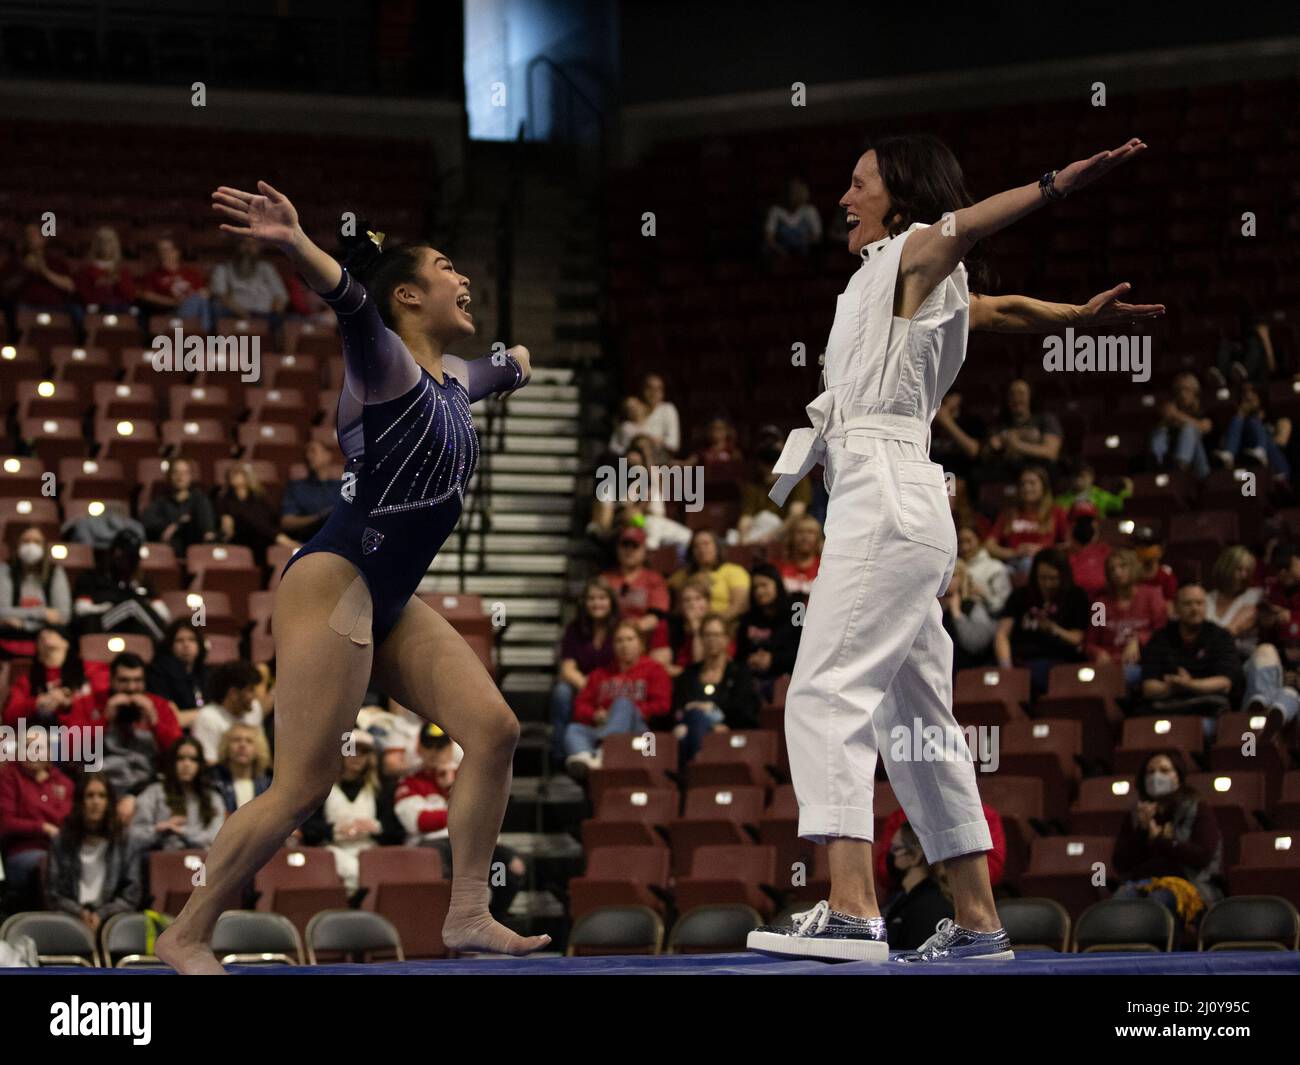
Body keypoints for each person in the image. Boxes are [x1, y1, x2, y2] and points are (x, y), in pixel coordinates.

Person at [748, 133, 1160, 962]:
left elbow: (966, 225)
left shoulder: (913, 250)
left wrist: (1055, 180)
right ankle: (978, 922)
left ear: (899, 199)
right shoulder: (892, 279)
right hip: (907, 505)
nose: (843, 198)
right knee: (917, 725)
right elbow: (999, 312)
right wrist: (1073, 316)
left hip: (885, 497)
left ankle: (852, 907)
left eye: (857, 183)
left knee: (825, 691)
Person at [154, 179, 542, 974]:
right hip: (335, 579)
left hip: (390, 593)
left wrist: (516, 365)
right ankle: (186, 930)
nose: (462, 277)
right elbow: (351, 302)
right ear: (408, 293)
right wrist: (298, 243)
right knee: (302, 784)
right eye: (445, 268)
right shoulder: (385, 365)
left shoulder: (451, 381)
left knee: (496, 731)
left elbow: (490, 371)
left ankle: (468, 911)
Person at [394, 728, 525, 920]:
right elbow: (418, 822)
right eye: (429, 746)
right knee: (438, 864)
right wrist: (463, 812)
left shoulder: (469, 777)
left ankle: (495, 917)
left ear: (449, 749)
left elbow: (485, 814)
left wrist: (451, 789)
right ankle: (452, 920)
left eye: (440, 746)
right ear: (419, 749)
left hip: (472, 842)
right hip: (433, 845)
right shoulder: (410, 781)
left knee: (511, 867)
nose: (435, 752)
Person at [1113, 750, 1223, 939]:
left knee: (1158, 903)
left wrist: (1161, 841)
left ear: (1178, 776)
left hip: (1190, 885)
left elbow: (1202, 856)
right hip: (1142, 884)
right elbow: (1120, 862)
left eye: (1164, 770)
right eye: (1151, 771)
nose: (1157, 776)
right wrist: (1141, 831)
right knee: (1120, 900)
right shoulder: (1136, 814)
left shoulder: (1197, 807)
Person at [564, 620, 672, 777]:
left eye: (630, 639)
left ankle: (603, 750)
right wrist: (595, 715)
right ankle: (587, 758)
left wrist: (624, 713)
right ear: (613, 646)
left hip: (642, 735)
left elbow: (663, 705)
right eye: (619, 641)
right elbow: (580, 706)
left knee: (623, 703)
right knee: (574, 729)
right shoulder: (600, 674)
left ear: (641, 643)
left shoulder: (655, 670)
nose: (624, 645)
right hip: (603, 727)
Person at [300, 729, 401, 893]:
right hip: (334, 850)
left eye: (363, 752)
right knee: (357, 873)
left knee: (375, 869)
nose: (357, 757)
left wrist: (376, 827)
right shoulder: (322, 788)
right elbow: (308, 827)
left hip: (369, 850)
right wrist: (334, 829)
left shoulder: (381, 788)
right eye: (352, 750)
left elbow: (396, 831)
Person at [85, 651, 184, 814]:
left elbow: (178, 751)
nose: (131, 688)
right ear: (111, 680)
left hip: (149, 784)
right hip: (101, 785)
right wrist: (105, 719)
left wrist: (154, 721)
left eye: (137, 681)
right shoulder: (89, 703)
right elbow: (72, 751)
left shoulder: (159, 706)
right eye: (124, 681)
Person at [46, 773, 142, 933]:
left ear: (109, 802)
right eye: (89, 795)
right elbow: (53, 894)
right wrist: (81, 913)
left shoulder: (125, 842)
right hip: (69, 919)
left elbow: (131, 895)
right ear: (80, 801)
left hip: (113, 920)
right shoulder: (61, 842)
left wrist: (101, 914)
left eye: (102, 796)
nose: (95, 802)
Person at [1136, 584, 1242, 726]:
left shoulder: (1221, 637)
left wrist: (1188, 684)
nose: (1194, 609)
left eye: (1199, 603)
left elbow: (1224, 683)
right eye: (1187, 604)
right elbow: (1148, 688)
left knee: (1203, 730)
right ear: (1176, 608)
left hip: (1207, 711)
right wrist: (1175, 686)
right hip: (1167, 711)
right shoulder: (1161, 637)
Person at [994, 547, 1089, 697]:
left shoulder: (1076, 596)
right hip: (1021, 661)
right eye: (1042, 578)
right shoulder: (1020, 595)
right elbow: (1002, 634)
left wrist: (1053, 629)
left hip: (1060, 661)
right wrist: (1006, 668)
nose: (1047, 584)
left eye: (1053, 578)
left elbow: (1077, 638)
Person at [0, 729, 74, 912]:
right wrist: (43, 827)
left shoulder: (64, 783)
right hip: (24, 851)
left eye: (38, 747)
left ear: (49, 752)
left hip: (61, 849)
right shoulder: (9, 777)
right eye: (27, 747)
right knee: (48, 864)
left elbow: (71, 821)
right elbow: (6, 823)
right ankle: (52, 919)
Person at [672, 613, 759, 762]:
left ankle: (693, 768)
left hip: (729, 736)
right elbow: (677, 708)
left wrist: (718, 718)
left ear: (727, 639)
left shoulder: (739, 674)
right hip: (689, 730)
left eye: (717, 635)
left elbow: (745, 712)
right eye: (707, 635)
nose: (712, 640)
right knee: (693, 720)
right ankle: (697, 765)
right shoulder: (688, 675)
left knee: (695, 720)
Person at [551, 578, 619, 764]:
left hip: (615, 684)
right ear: (584, 603)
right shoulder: (574, 630)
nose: (597, 603)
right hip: (582, 684)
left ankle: (608, 750)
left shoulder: (621, 628)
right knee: (561, 692)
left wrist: (603, 688)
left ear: (611, 601)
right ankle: (561, 753)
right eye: (591, 598)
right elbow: (567, 670)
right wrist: (591, 688)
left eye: (602, 598)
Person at [1084, 549, 1167, 688]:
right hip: (1108, 665)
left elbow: (1163, 632)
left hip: (1142, 663)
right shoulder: (1100, 605)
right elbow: (1091, 643)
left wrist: (1138, 639)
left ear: (1133, 567)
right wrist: (1098, 653)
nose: (1117, 572)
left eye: (1122, 566)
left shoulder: (1152, 595)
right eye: (1112, 569)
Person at [1, 623, 107, 733]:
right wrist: (38, 702)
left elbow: (104, 704)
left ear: (66, 642)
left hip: (88, 734)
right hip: (42, 737)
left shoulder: (91, 669)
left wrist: (69, 702)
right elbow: (9, 717)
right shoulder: (28, 679)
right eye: (41, 636)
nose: (46, 635)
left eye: (52, 631)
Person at [71, 527, 170, 642]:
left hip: (131, 630)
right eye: (123, 555)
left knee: (135, 610)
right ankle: (166, 643)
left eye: (131, 558)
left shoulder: (141, 581)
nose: (126, 562)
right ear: (114, 552)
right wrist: (105, 607)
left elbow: (164, 614)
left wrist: (146, 606)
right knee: (131, 606)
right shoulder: (92, 576)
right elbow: (81, 609)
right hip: (98, 625)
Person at [129, 737, 225, 853]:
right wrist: (158, 829)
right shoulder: (153, 793)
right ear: (171, 762)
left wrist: (180, 831)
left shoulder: (213, 798)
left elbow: (216, 838)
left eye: (193, 759)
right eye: (180, 759)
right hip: (161, 862)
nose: (186, 764)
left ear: (200, 765)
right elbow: (134, 836)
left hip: (203, 864)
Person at [880, 822, 955, 952]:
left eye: (896, 849)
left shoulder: (930, 906)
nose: (890, 856)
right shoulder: (905, 898)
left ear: (917, 855)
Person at [0, 526, 72, 658]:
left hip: (45, 631)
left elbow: (63, 615)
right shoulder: (6, 570)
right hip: (14, 632)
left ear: (44, 547)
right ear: (17, 546)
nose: (30, 546)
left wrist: (24, 623)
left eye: (36, 542)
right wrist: (42, 613)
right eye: (26, 541)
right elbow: (2, 611)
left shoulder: (55, 571)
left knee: (59, 635)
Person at [985, 466, 1068, 580]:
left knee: (1028, 564)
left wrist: (1042, 551)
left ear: (1044, 486)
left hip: (1045, 564)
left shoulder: (1056, 512)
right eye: (1023, 484)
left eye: (1032, 483)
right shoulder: (1009, 513)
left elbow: (1068, 545)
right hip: (1011, 563)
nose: (1026, 488)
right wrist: (1014, 552)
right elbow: (989, 545)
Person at [735, 563, 800, 701]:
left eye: (764, 585)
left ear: (776, 584)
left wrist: (773, 659)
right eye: (755, 588)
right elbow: (739, 656)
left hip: (791, 679)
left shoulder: (796, 608)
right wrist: (751, 660)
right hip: (754, 682)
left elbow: (805, 651)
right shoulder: (747, 618)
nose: (759, 591)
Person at [214, 461, 299, 566]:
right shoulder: (224, 498)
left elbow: (272, 518)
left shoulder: (259, 497)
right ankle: (281, 539)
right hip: (240, 538)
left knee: (256, 521)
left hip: (262, 540)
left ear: (247, 476)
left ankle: (279, 539)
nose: (234, 475)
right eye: (231, 472)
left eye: (238, 472)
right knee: (245, 517)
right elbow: (226, 524)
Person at [600, 526, 670, 644]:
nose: (629, 550)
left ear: (644, 551)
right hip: (609, 637)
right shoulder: (604, 579)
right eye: (625, 545)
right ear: (617, 549)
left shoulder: (654, 579)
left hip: (644, 638)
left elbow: (656, 616)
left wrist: (629, 632)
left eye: (635, 546)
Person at [983, 379, 1064, 479]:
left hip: (1037, 466)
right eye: (1012, 394)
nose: (1016, 398)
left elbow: (1051, 452)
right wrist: (991, 448)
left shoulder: (1045, 419)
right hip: (1008, 468)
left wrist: (1017, 445)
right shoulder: (1000, 424)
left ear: (1031, 396)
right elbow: (984, 454)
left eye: (1021, 393)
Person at [668, 529, 751, 621]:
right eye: (696, 546)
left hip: (724, 626)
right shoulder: (683, 575)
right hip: (690, 625)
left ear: (717, 547)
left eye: (706, 544)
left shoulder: (734, 571)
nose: (701, 549)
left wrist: (712, 625)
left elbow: (739, 607)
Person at [191, 660, 264, 764]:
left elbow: (262, 753)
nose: (255, 696)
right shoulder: (208, 717)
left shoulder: (255, 708)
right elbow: (208, 762)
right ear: (233, 693)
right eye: (250, 690)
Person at [1214, 382, 1291, 479]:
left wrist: (1263, 434)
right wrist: (1241, 413)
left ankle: (1260, 451)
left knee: (1254, 422)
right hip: (1248, 464)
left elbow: (1281, 442)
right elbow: (1222, 442)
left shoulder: (1273, 417)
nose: (1249, 396)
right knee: (1240, 420)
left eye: (1252, 392)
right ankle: (1229, 455)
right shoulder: (1237, 422)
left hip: (1276, 465)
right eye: (1245, 393)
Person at [140, 458, 217, 554]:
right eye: (176, 472)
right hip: (170, 551)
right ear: (169, 476)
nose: (180, 477)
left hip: (196, 550)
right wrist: (169, 526)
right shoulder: (162, 500)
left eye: (185, 473)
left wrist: (178, 526)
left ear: (190, 477)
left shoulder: (199, 499)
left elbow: (207, 530)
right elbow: (146, 519)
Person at [137, 235, 215, 332]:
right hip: (168, 312)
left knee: (203, 301)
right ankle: (206, 336)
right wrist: (173, 302)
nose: (164, 254)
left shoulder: (191, 273)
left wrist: (201, 295)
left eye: (168, 250)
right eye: (161, 251)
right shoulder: (153, 275)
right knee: (200, 301)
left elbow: (203, 292)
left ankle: (204, 332)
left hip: (191, 309)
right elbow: (146, 295)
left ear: (177, 252)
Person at [145, 619, 212, 727]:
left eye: (192, 640)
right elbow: (174, 718)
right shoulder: (158, 672)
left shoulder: (206, 672)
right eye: (179, 641)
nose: (186, 645)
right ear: (170, 645)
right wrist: (209, 714)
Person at [1150, 372, 1212, 479]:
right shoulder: (1172, 409)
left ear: (1195, 391)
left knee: (1190, 429)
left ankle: (1180, 467)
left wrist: (1177, 416)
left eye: (1187, 389)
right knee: (1161, 430)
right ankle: (1158, 461)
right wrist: (1167, 419)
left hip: (1200, 467)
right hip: (1171, 459)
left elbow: (1205, 427)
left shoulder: (1202, 409)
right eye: (1179, 390)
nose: (1182, 394)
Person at [1204, 545, 1262, 659]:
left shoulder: (1254, 596)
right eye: (1239, 569)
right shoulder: (1206, 598)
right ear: (1226, 568)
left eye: (1247, 571)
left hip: (1243, 660)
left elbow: (1231, 631)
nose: (1244, 575)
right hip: (1210, 660)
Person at [210, 236, 289, 320]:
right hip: (234, 315)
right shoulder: (223, 269)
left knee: (294, 321)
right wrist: (246, 317)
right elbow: (221, 296)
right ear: (237, 246)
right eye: (244, 243)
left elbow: (281, 296)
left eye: (253, 244)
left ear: (259, 247)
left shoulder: (267, 268)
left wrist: (274, 316)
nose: (248, 247)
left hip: (265, 316)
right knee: (216, 307)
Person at [281, 440, 344, 542]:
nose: (308, 456)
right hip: (310, 539)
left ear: (328, 456)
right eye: (306, 453)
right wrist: (318, 518)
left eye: (313, 451)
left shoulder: (341, 486)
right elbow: (286, 522)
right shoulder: (296, 487)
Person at [942, 559, 999, 669]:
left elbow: (975, 644)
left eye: (952, 575)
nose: (946, 579)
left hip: (968, 669)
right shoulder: (932, 606)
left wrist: (957, 614)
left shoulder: (972, 606)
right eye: (944, 574)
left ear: (962, 578)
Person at [211, 721, 273, 814]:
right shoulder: (213, 782)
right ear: (226, 746)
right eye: (236, 740)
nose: (242, 745)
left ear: (259, 748)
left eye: (249, 741)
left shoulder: (269, 786)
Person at [956, 523, 1012, 617]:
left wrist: (984, 595)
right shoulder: (952, 567)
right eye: (960, 542)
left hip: (986, 620)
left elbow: (1004, 607)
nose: (964, 547)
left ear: (979, 540)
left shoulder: (996, 567)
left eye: (969, 541)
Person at [75, 226, 135, 312]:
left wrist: (117, 281)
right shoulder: (87, 270)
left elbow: (130, 296)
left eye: (109, 241)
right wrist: (102, 284)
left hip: (121, 308)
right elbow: (84, 295)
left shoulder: (122, 270)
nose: (105, 245)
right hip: (97, 308)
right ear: (96, 244)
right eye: (102, 241)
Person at [764, 177, 823, 257]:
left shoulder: (810, 211)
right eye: (791, 191)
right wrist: (781, 252)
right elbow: (769, 238)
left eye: (797, 191)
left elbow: (817, 237)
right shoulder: (776, 210)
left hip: (804, 254)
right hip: (780, 252)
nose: (794, 194)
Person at [1065, 499, 1111, 599]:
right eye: (1080, 522)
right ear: (1070, 525)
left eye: (1088, 521)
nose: (1084, 527)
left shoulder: (1105, 553)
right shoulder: (1061, 555)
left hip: (1099, 609)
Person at [1055, 463, 1132, 517]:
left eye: (1082, 476)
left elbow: (1120, 504)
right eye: (1075, 477)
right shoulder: (1061, 500)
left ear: (1091, 478)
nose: (1078, 480)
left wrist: (1127, 490)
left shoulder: (1100, 496)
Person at [776, 515, 823, 602]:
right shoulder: (778, 567)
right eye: (800, 532)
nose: (805, 537)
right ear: (791, 537)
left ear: (818, 538)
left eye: (811, 532)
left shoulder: (825, 567)